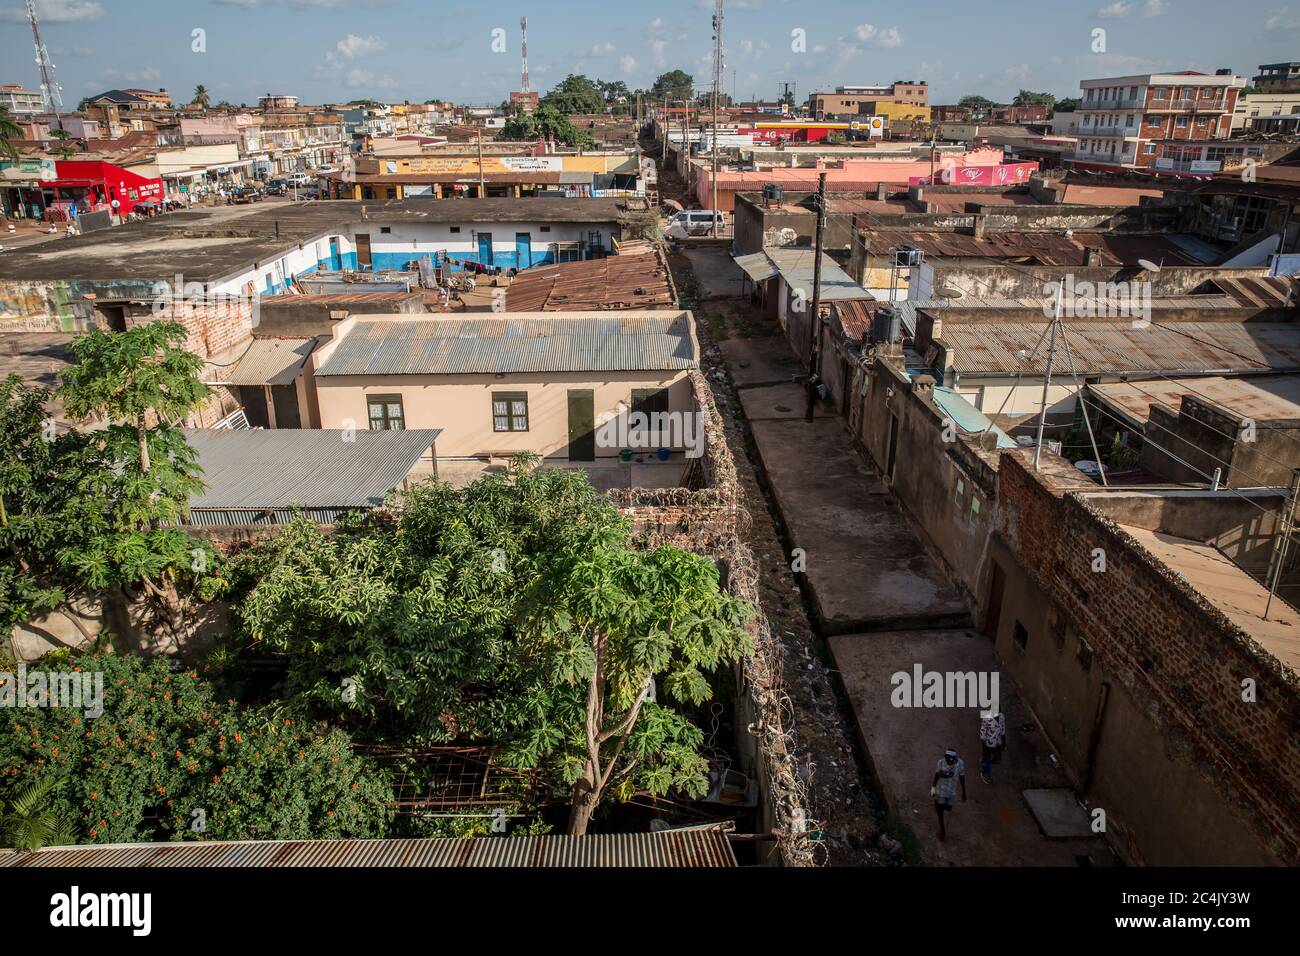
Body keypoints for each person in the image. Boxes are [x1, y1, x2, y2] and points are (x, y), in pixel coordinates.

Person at [930, 747, 966, 842]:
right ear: (945, 758)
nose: (950, 763)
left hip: (951, 792)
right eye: (948, 761)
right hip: (941, 791)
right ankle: (943, 830)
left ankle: (937, 805)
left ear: (955, 759)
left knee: (949, 808)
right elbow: (937, 775)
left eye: (952, 761)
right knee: (941, 811)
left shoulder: (960, 763)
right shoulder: (940, 763)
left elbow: (962, 776)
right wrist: (933, 787)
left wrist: (964, 792)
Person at [979, 711, 1007, 784]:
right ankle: (985, 773)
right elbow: (983, 733)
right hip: (988, 744)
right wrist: (983, 747)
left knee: (997, 758)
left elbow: (1003, 730)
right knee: (986, 758)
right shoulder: (986, 718)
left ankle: (986, 760)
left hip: (998, 743)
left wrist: (1004, 742)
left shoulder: (1002, 716)